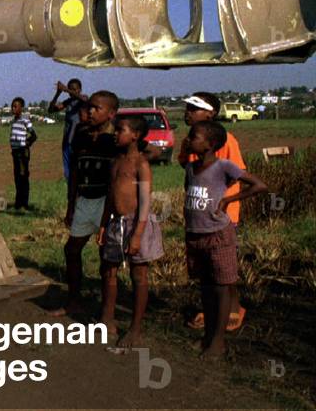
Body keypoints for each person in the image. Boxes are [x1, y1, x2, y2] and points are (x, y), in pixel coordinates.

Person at [183, 120, 266, 358]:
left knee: (220, 288)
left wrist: (229, 200)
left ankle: (218, 342)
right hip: (196, 235)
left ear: (210, 144)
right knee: (206, 288)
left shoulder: (223, 167)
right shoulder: (190, 169)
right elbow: (188, 195)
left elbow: (259, 185)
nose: (188, 140)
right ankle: (208, 337)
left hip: (218, 235)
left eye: (194, 136)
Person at [178, 92, 248, 332]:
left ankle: (234, 309)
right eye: (188, 107)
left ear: (211, 114)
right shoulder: (191, 140)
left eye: (194, 108)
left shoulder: (227, 140)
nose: (188, 112)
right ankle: (211, 310)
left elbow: (237, 173)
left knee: (224, 269)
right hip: (201, 213)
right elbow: (187, 166)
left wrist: (225, 202)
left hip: (222, 214)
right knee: (207, 268)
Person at [97, 115, 163, 349]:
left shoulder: (140, 164)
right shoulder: (115, 162)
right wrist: (104, 224)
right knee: (109, 270)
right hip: (116, 223)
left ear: (135, 135)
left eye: (120, 130)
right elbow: (109, 196)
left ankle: (135, 329)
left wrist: (137, 235)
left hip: (137, 224)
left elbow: (145, 202)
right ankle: (107, 319)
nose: (115, 134)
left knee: (138, 274)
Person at [54, 90, 120, 316]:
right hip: (84, 200)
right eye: (89, 107)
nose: (90, 111)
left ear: (111, 114)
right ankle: (74, 301)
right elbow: (74, 172)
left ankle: (106, 312)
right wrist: (71, 204)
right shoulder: (81, 134)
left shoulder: (115, 139)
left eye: (96, 108)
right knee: (72, 249)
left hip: (106, 202)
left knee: (106, 257)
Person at [48, 78, 88, 183]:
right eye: (71, 89)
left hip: (78, 142)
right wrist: (58, 93)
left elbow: (84, 99)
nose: (72, 92)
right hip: (67, 141)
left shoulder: (83, 100)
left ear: (80, 89)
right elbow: (51, 110)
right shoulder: (68, 102)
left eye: (75, 89)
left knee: (78, 170)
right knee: (68, 173)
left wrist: (66, 89)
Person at [8, 97, 37, 210]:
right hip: (15, 153)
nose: (13, 108)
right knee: (17, 177)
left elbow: (34, 135)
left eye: (15, 106)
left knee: (23, 176)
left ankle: (24, 203)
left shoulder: (25, 120)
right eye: (12, 106)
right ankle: (18, 202)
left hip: (22, 153)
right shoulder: (14, 121)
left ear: (21, 108)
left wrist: (26, 144)